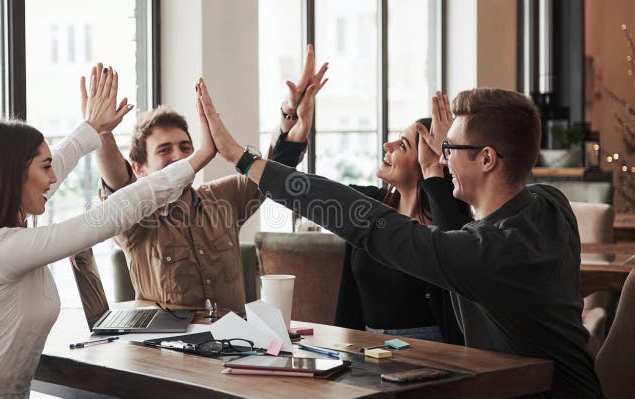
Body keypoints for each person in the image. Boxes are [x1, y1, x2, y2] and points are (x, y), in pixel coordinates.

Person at [198, 80, 601, 398]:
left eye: (449, 148)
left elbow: (369, 224)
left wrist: (243, 157)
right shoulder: (551, 203)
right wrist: (455, 148)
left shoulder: (489, 253)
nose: (441, 159)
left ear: (487, 159)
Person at [0, 63, 217, 398]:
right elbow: (110, 215)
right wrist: (197, 159)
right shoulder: (4, 249)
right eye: (45, 168)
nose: (53, 180)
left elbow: (56, 164)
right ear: (12, 177)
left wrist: (90, 128)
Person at [86, 45, 327, 312]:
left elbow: (273, 167)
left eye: (186, 147)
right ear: (140, 168)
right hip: (167, 351)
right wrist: (102, 133)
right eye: (164, 150)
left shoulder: (223, 197)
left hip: (234, 347)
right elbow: (116, 181)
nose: (180, 156)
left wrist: (290, 111)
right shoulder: (137, 216)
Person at [332, 116, 466, 344]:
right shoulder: (367, 205)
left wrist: (438, 164)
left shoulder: (449, 226)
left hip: (432, 354)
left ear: (425, 162)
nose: (387, 146)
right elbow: (300, 191)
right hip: (365, 349)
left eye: (402, 145)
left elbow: (460, 262)